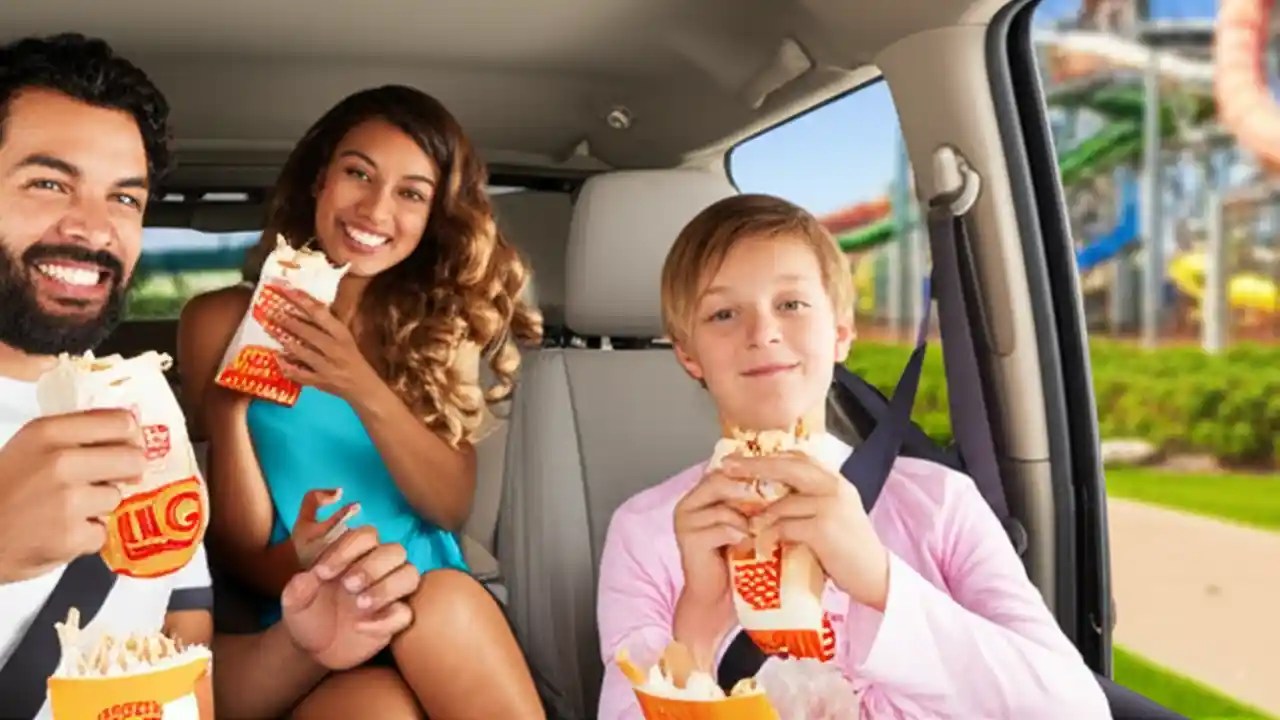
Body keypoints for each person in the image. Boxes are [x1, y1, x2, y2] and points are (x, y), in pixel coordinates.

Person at [0, 33, 424, 719]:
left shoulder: (143, 407)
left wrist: (306, 644)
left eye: (125, 199)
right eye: (48, 182)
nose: (94, 227)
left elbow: (186, 672)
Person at [594, 194, 1112, 718]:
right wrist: (698, 627)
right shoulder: (647, 533)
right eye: (724, 313)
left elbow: (1077, 709)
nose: (763, 333)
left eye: (791, 304)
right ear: (689, 355)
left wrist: (878, 580)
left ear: (840, 332)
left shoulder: (939, 503)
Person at [178, 85, 548, 718]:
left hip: (431, 594)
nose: (376, 210)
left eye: (411, 193)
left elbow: (450, 506)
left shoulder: (434, 327)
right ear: (321, 179)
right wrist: (231, 406)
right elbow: (235, 550)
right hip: (301, 610)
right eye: (358, 173)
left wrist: (358, 381)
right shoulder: (218, 320)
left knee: (444, 606)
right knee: (374, 708)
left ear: (433, 216)